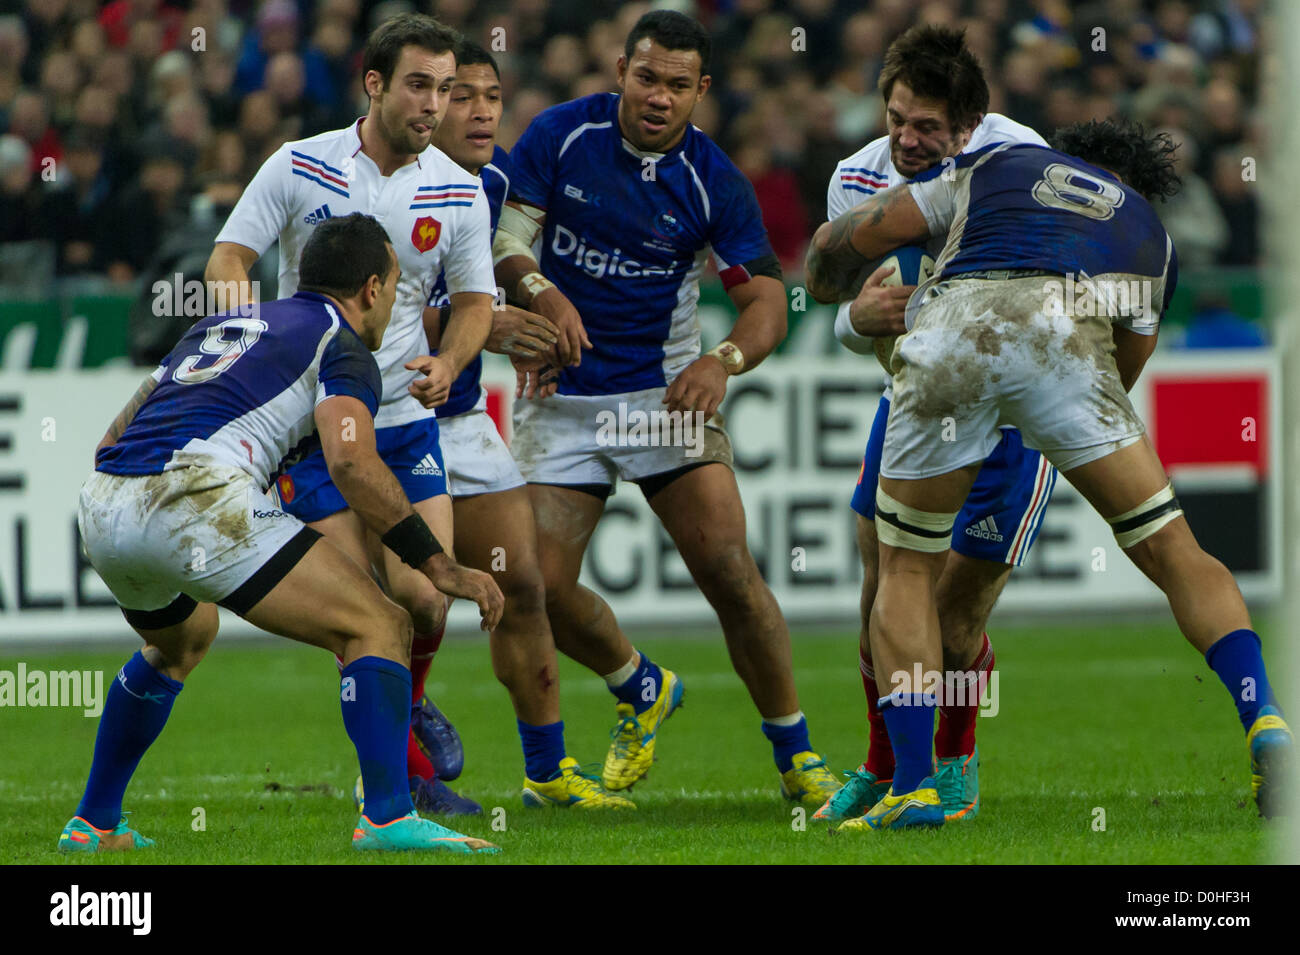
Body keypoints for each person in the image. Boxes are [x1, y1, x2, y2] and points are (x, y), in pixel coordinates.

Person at [805, 119, 1292, 830]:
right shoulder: (1151, 237)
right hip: (1068, 343)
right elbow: (1123, 370)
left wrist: (830, 283)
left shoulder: (1004, 161)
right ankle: (1267, 718)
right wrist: (1058, 414)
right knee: (1173, 548)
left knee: (905, 568)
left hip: (958, 326)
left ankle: (912, 785)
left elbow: (851, 237)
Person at [61, 213, 503, 854]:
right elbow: (351, 459)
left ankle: (94, 823)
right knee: (379, 624)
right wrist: (438, 565)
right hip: (194, 497)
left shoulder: (220, 326)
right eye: (396, 284)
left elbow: (115, 433)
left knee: (185, 640)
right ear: (373, 289)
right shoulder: (341, 342)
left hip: (103, 505)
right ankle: (386, 817)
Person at [494, 10, 840, 806]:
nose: (658, 96)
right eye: (646, 77)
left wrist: (722, 362)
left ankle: (799, 756)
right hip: (564, 395)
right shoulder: (560, 136)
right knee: (535, 588)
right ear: (620, 70)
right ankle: (640, 684)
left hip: (663, 399)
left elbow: (767, 305)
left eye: (677, 85)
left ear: (701, 91)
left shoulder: (713, 178)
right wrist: (542, 292)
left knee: (728, 569)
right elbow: (508, 239)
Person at [204, 14, 495, 814]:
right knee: (362, 608)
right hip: (313, 425)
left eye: (446, 87)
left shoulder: (458, 188)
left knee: (427, 598)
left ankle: (411, 709)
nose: (436, 104)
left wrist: (453, 360)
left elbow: (474, 301)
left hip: (401, 419)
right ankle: (405, 783)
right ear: (374, 84)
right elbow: (229, 257)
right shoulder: (299, 166)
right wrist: (255, 331)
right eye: (420, 85)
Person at [816, 24, 1051, 824]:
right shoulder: (855, 180)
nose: (908, 140)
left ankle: (954, 756)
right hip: (913, 406)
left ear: (968, 128)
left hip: (1014, 417)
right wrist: (856, 317)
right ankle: (887, 766)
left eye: (928, 128)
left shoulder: (1020, 161)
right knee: (880, 593)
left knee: (954, 622)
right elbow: (844, 317)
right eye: (897, 119)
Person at [421, 42, 632, 809]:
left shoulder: (497, 179)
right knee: (415, 602)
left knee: (524, 583)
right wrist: (487, 322)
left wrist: (524, 326)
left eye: (490, 95)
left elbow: (501, 267)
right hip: (376, 416)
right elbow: (357, 313)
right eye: (458, 95)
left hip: (461, 415)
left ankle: (548, 772)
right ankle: (400, 772)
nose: (479, 111)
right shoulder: (370, 181)